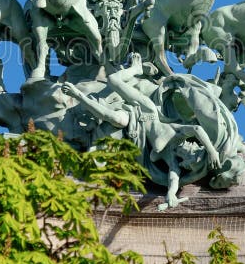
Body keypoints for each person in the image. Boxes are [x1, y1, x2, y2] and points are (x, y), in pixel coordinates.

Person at [61, 53, 221, 210]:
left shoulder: (170, 157)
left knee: (117, 120)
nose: (193, 148)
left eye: (193, 155)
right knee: (113, 80)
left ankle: (79, 96)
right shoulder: (180, 134)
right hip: (146, 111)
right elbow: (197, 129)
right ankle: (135, 69)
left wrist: (171, 195)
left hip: (133, 128)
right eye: (197, 149)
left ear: (186, 162)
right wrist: (211, 150)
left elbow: (174, 178)